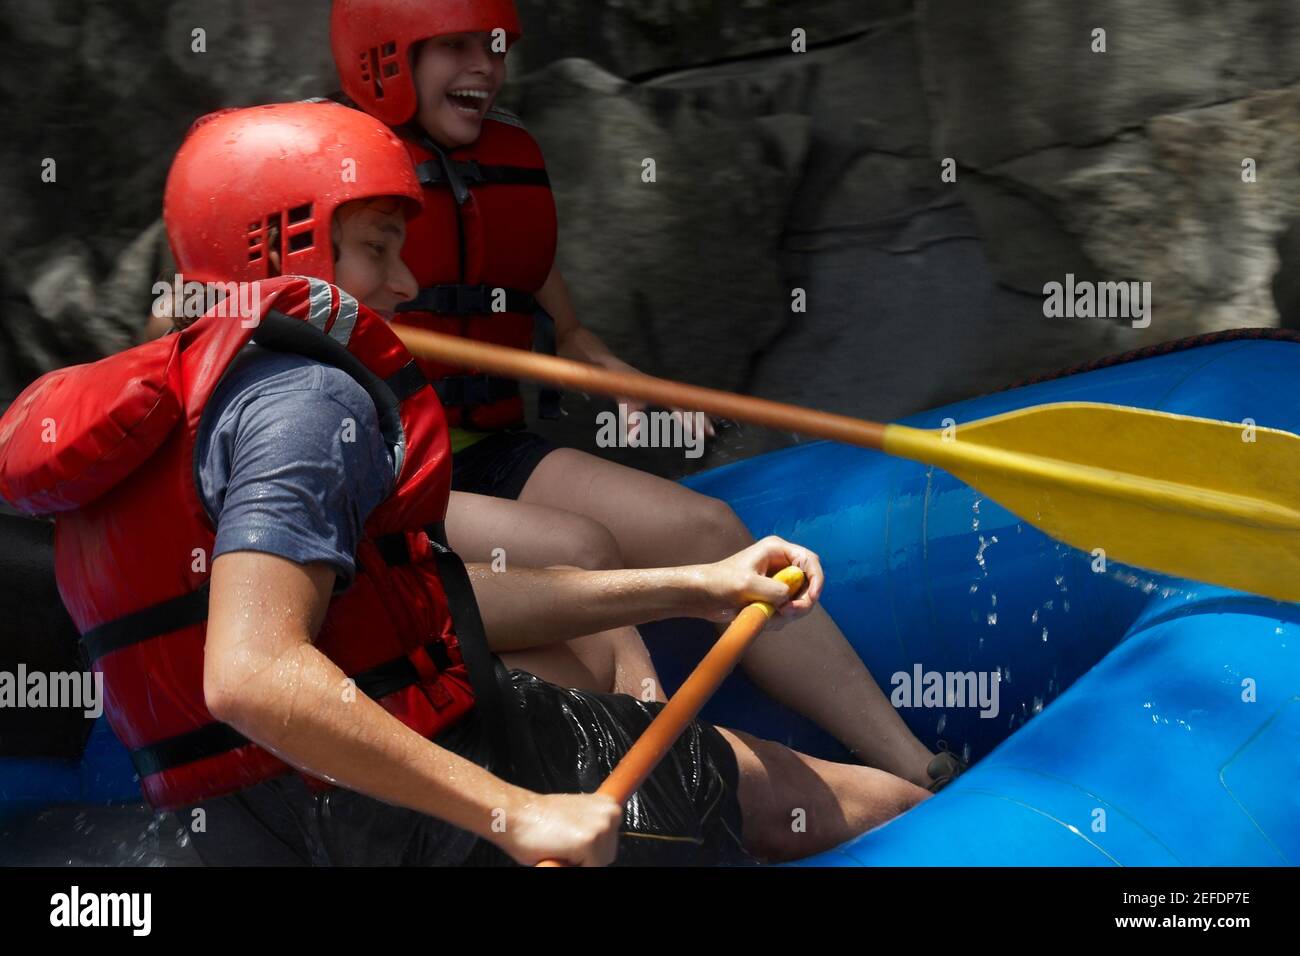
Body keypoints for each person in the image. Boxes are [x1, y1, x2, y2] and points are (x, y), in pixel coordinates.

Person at [0, 102, 929, 866]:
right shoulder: (308, 400)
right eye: (376, 249)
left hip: (253, 835)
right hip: (403, 807)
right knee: (866, 804)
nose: (405, 282)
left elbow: (420, 607)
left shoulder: (163, 414)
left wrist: (696, 587)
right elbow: (251, 677)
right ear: (277, 249)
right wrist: (511, 813)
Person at [329, 0, 963, 790]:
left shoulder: (502, 157)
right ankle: (677, 792)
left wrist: (578, 341)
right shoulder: (327, 167)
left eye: (493, 47)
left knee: (707, 527)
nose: (485, 67)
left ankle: (917, 766)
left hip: (485, 451)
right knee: (580, 549)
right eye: (456, 47)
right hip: (395, 484)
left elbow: (515, 255)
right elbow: (204, 279)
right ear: (385, 59)